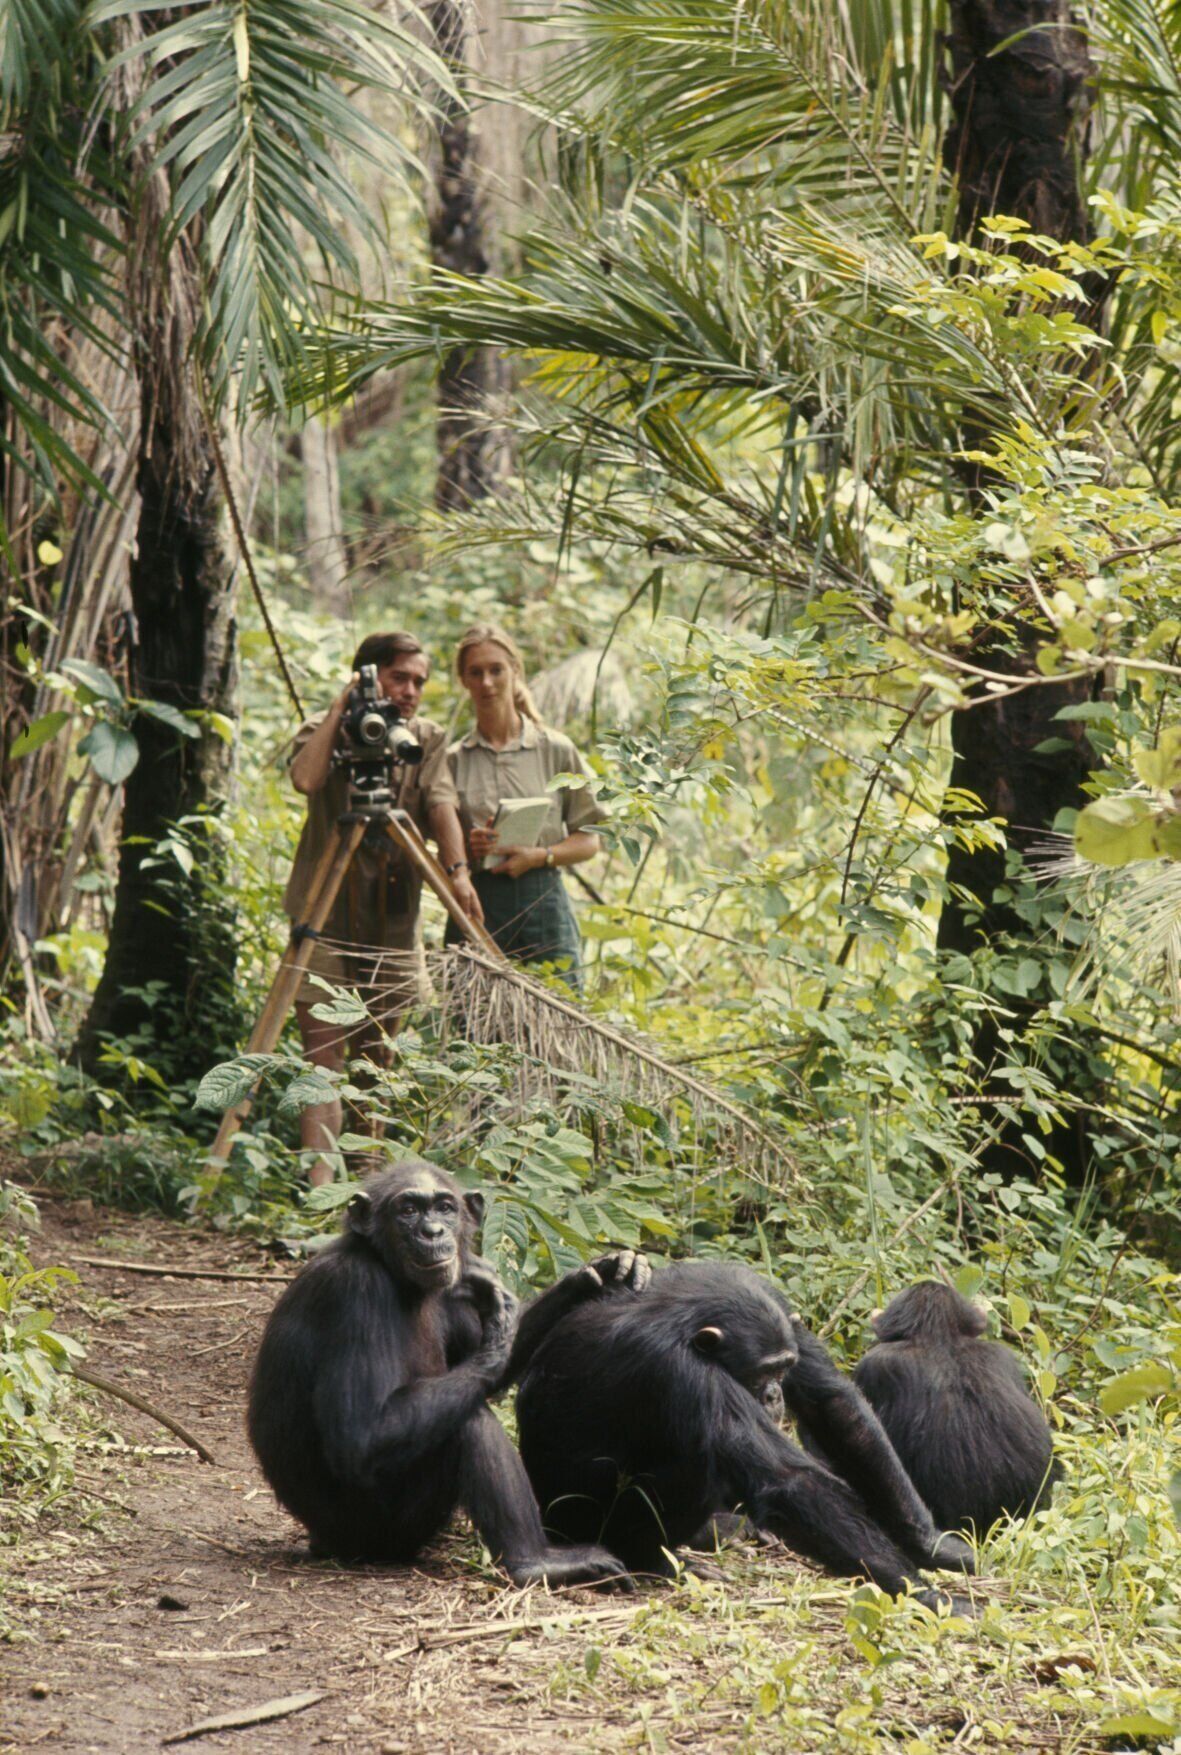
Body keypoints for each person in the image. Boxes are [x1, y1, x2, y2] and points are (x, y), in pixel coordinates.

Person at [285, 632, 483, 1184]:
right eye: (400, 678)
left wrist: (457, 869)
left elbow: (441, 801)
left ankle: (368, 1182)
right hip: (323, 917)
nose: (411, 691)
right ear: (368, 677)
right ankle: (319, 1192)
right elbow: (306, 778)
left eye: (419, 681)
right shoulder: (324, 733)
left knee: (377, 1062)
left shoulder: (424, 738)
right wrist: (340, 708)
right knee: (322, 1062)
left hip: (392, 922)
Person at [445, 623, 606, 990]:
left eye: (496, 670)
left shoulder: (555, 749)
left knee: (558, 1011)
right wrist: (469, 848)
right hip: (479, 901)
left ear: (515, 672)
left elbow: (590, 839)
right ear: (464, 681)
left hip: (543, 898)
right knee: (474, 1020)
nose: (487, 682)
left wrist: (540, 856)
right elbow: (440, 843)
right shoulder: (454, 760)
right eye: (476, 673)